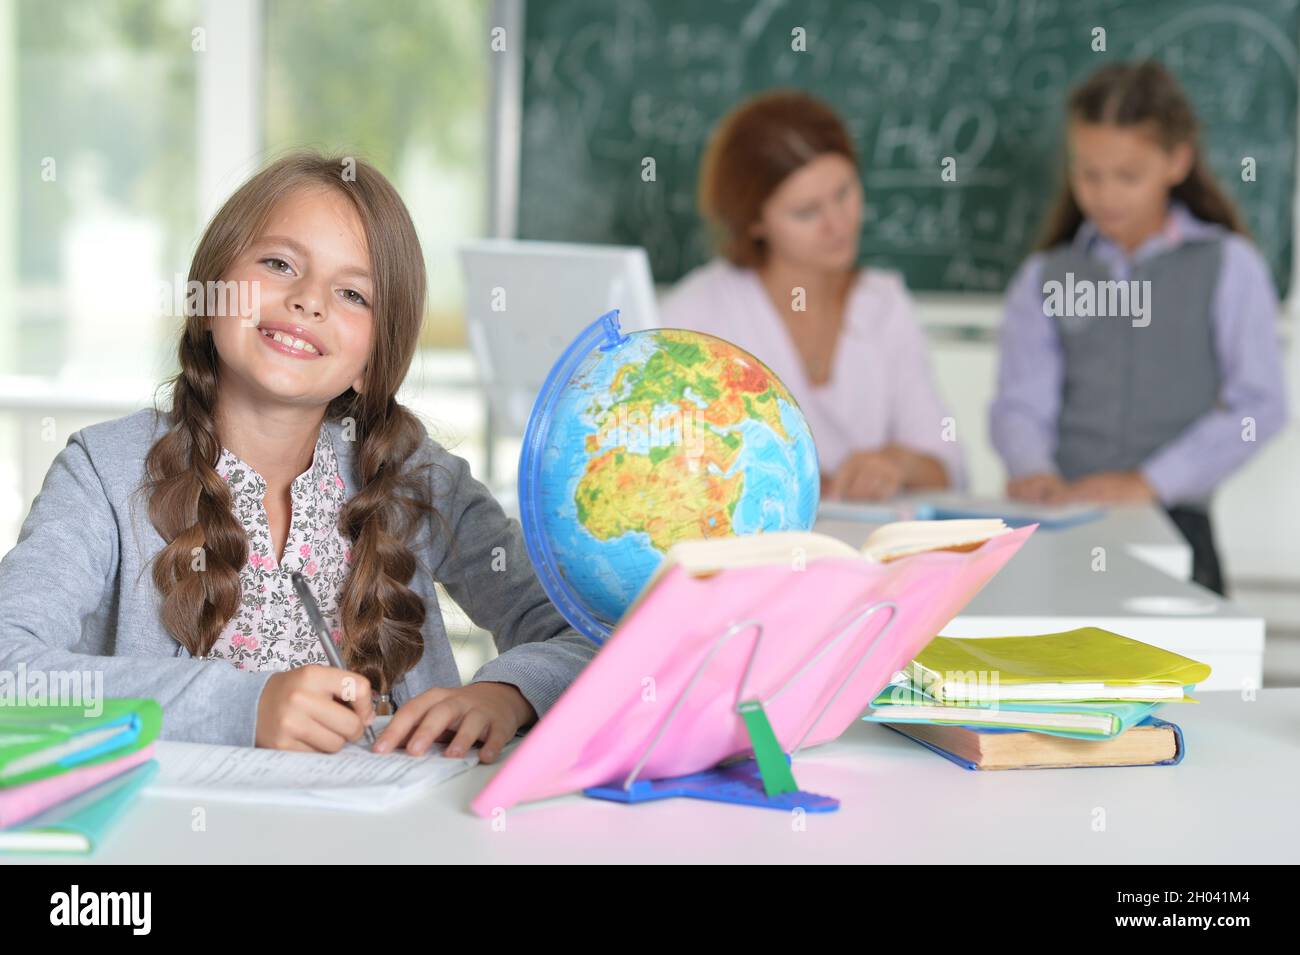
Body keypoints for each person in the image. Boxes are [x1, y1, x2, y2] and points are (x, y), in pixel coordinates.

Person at [0, 153, 595, 757]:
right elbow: (10, 675)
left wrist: (508, 692)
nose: (310, 301)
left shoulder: (422, 481)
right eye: (279, 263)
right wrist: (243, 707)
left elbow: (592, 633)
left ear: (374, 360)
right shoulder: (103, 473)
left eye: (353, 294)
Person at [990, 62, 1288, 595]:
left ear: (1177, 162)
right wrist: (1031, 468)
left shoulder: (1229, 265)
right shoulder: (1044, 276)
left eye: (1128, 176)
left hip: (1177, 531)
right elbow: (1021, 401)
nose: (1105, 196)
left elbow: (1258, 405)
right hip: (1061, 526)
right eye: (1088, 174)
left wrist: (1150, 483)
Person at [661, 90, 963, 502]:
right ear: (753, 222)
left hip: (863, 559)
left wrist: (898, 462)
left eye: (844, 194)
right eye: (807, 212)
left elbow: (949, 470)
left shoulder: (883, 303)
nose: (838, 224)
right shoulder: (697, 314)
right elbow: (665, 471)